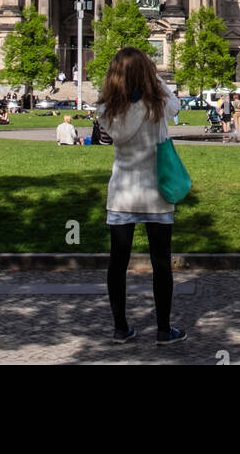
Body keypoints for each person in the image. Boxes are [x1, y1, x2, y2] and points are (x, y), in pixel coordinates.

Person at [98, 46, 185, 345]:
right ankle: (163, 329)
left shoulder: (106, 110)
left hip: (123, 191)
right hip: (156, 192)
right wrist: (155, 78)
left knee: (117, 263)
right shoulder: (158, 105)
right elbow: (176, 103)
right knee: (161, 262)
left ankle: (120, 328)